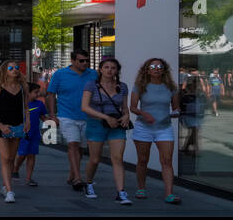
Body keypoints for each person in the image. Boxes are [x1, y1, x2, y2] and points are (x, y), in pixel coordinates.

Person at [82, 55, 131, 204]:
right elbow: (84, 107)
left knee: (117, 158)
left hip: (116, 124)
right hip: (96, 124)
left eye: (113, 68)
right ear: (101, 69)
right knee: (95, 159)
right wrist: (104, 117)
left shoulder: (122, 86)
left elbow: (124, 107)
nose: (110, 70)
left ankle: (121, 192)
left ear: (117, 71)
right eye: (107, 67)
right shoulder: (91, 85)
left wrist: (126, 116)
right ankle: (88, 183)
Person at [131, 58, 180, 204]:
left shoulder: (171, 87)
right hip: (143, 128)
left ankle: (169, 194)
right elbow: (132, 107)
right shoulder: (140, 86)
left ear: (164, 69)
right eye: (153, 66)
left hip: (164, 128)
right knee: (143, 160)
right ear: (147, 69)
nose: (156, 68)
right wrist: (144, 114)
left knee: (166, 161)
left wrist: (176, 112)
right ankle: (141, 188)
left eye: (160, 66)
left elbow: (176, 108)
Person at [47, 50, 97, 191]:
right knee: (73, 144)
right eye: (81, 61)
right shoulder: (60, 74)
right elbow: (51, 95)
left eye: (87, 60)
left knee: (80, 149)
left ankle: (72, 173)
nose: (85, 63)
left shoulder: (93, 74)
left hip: (87, 117)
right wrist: (52, 115)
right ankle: (77, 178)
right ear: (73, 61)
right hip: (66, 115)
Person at [0, 61, 28, 203]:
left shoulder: (23, 86)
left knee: (11, 158)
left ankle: (6, 185)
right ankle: (10, 191)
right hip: (1, 125)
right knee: (5, 157)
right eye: (10, 68)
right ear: (4, 70)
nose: (14, 70)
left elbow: (26, 106)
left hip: (17, 125)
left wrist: (27, 121)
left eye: (16, 67)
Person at [15, 82, 47, 186]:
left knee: (32, 155)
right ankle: (15, 169)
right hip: (23, 134)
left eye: (38, 92)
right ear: (27, 93)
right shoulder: (21, 104)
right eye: (35, 92)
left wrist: (51, 121)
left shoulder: (40, 104)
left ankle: (28, 178)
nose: (38, 94)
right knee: (22, 154)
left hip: (35, 134)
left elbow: (43, 117)